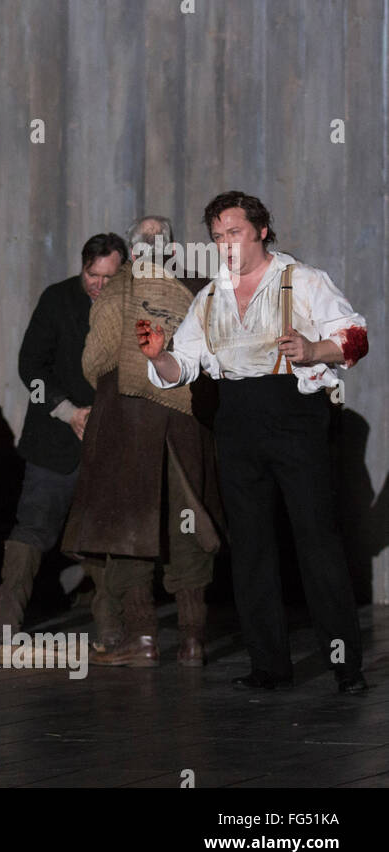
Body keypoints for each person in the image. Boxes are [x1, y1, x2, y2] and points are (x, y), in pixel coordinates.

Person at [141, 191, 369, 693]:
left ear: (261, 231)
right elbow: (183, 368)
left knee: (316, 539)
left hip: (294, 414)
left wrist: (314, 349)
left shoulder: (302, 280)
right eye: (218, 236)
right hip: (237, 418)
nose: (226, 244)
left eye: (235, 233)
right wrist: (159, 356)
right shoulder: (212, 297)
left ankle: (345, 666)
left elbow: (356, 337)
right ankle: (270, 665)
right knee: (250, 546)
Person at [63, 219, 223, 668]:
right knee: (187, 531)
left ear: (133, 253)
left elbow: (95, 358)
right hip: (186, 426)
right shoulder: (198, 288)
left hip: (127, 425)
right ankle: (193, 642)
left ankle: (143, 639)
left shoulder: (120, 289)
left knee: (129, 528)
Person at [0, 233, 127, 639]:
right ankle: (4, 628)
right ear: (82, 267)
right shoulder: (57, 298)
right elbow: (30, 366)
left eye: (108, 276)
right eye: (92, 274)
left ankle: (111, 636)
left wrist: (103, 419)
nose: (98, 284)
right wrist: (69, 412)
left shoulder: (132, 304)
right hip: (52, 442)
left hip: (108, 443)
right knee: (31, 531)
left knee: (103, 537)